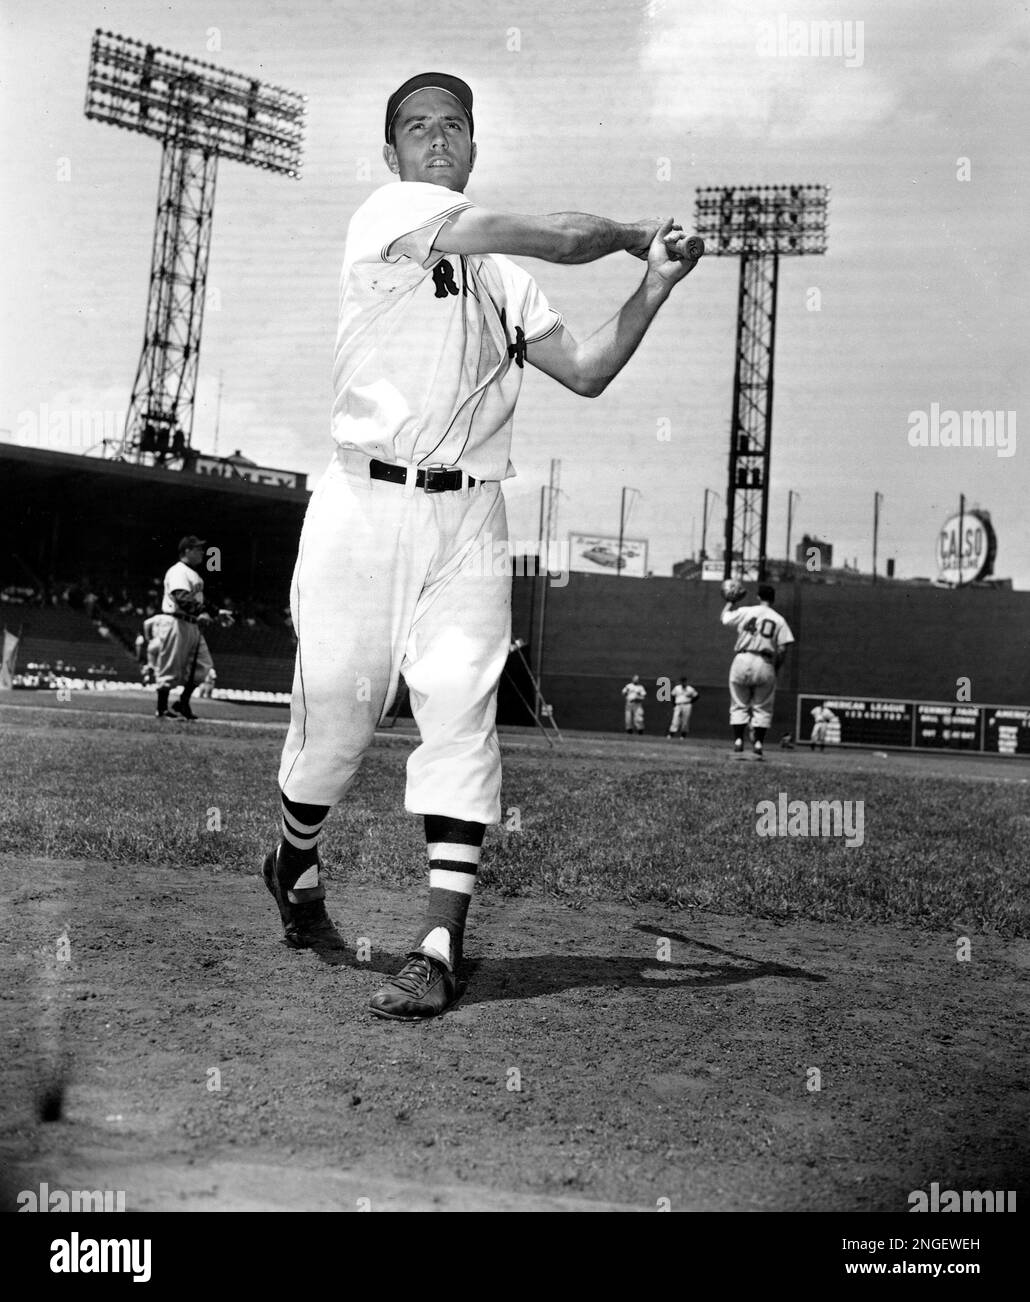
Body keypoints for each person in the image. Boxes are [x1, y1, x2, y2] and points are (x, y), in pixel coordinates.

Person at [264, 70, 704, 1021]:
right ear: (391, 153)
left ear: (473, 146)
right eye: (416, 126)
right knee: (334, 733)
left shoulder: (507, 282)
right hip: (363, 504)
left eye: (453, 125)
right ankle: (293, 860)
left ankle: (438, 945)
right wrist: (633, 233)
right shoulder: (387, 216)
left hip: (470, 513)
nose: (436, 138)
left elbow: (586, 371)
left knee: (464, 716)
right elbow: (562, 235)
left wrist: (655, 285)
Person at [720, 584, 794, 760]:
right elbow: (783, 648)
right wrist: (776, 668)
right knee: (762, 707)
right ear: (773, 599)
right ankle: (758, 743)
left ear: (758, 597)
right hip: (764, 661)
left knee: (738, 703)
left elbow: (725, 618)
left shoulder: (746, 611)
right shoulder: (779, 619)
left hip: (742, 658)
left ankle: (738, 740)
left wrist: (730, 602)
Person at [152, 536, 215, 721]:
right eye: (198, 549)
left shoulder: (194, 574)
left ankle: (182, 703)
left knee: (204, 665)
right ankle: (162, 709)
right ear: (187, 551)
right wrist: (201, 612)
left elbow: (199, 600)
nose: (202, 552)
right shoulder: (178, 571)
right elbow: (181, 597)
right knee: (170, 665)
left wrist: (216, 612)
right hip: (176, 622)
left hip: (192, 624)